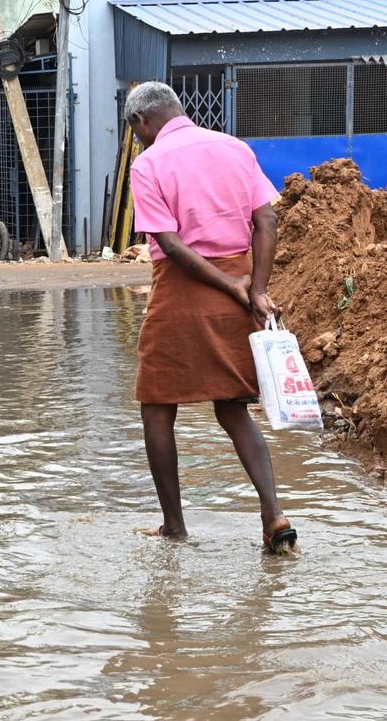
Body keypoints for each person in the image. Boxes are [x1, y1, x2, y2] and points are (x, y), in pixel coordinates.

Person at [125, 81, 296, 554]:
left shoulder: (149, 163)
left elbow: (172, 245)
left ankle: (175, 528)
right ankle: (273, 513)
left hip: (183, 291)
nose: (138, 140)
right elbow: (267, 222)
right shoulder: (234, 148)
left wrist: (231, 286)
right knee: (233, 406)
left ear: (143, 121)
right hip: (240, 284)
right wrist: (255, 289)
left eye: (136, 131)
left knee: (157, 406)